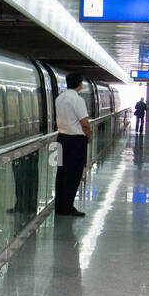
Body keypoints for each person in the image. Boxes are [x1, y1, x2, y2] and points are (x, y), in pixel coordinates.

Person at [54, 72, 91, 217]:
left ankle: (59, 206)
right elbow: (84, 123)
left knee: (61, 173)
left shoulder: (59, 98)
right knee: (73, 174)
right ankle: (68, 207)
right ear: (80, 85)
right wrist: (89, 136)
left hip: (61, 138)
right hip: (75, 141)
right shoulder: (77, 100)